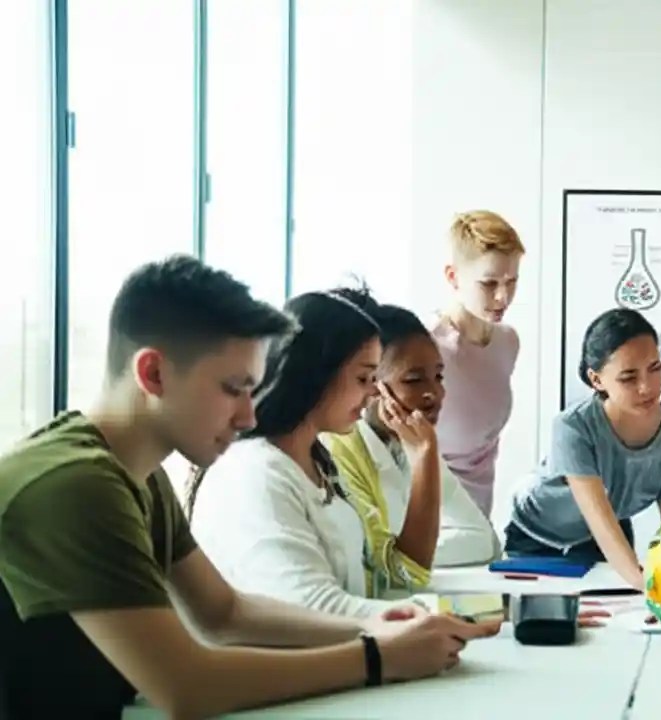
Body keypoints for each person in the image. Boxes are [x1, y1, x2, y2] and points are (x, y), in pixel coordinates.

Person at [0, 256, 497, 719]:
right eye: (233, 388)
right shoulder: (73, 485)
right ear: (152, 373)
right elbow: (184, 685)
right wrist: (376, 657)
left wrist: (374, 624)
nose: (249, 414)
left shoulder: (137, 474)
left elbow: (224, 611)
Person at [188, 289, 422, 616]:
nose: (373, 393)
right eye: (363, 377)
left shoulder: (318, 463)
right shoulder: (254, 472)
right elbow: (303, 605)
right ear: (317, 372)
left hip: (341, 653)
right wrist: (409, 621)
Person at [505, 308, 661, 589]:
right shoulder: (572, 427)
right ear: (597, 380)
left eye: (655, 368)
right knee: (549, 626)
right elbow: (596, 513)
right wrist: (649, 586)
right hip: (537, 531)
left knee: (616, 619)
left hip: (607, 528)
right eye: (629, 377)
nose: (647, 387)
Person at [326, 297, 501, 592]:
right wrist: (406, 550)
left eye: (438, 376)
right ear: (372, 385)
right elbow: (390, 571)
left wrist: (414, 546)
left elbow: (484, 540)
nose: (435, 393)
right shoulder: (339, 448)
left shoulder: (412, 442)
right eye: (413, 380)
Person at [429, 210, 525, 517]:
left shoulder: (507, 342)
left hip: (480, 514)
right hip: (432, 515)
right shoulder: (428, 347)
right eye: (489, 283)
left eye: (512, 282)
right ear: (453, 277)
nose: (502, 297)